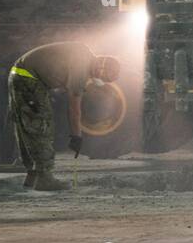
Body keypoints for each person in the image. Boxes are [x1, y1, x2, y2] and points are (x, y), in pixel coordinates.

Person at [8, 42, 120, 191]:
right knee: (41, 126)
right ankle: (44, 178)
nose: (100, 80)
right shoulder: (82, 68)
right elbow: (74, 108)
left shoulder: (83, 54)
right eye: (103, 76)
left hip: (20, 76)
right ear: (101, 66)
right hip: (29, 79)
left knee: (27, 127)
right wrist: (76, 136)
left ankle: (33, 176)